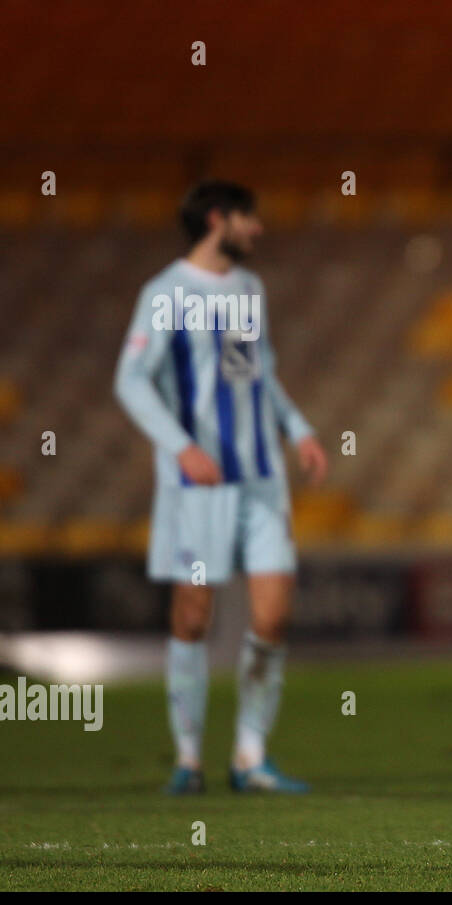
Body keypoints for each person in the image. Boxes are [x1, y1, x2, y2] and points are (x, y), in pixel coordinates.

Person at [114, 180, 328, 795]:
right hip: (196, 486)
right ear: (218, 219)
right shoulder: (164, 294)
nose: (257, 229)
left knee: (274, 615)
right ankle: (188, 758)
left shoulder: (248, 290)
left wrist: (300, 430)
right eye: (247, 218)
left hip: (261, 481)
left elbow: (255, 375)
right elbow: (131, 381)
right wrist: (181, 446)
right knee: (192, 617)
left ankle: (250, 756)